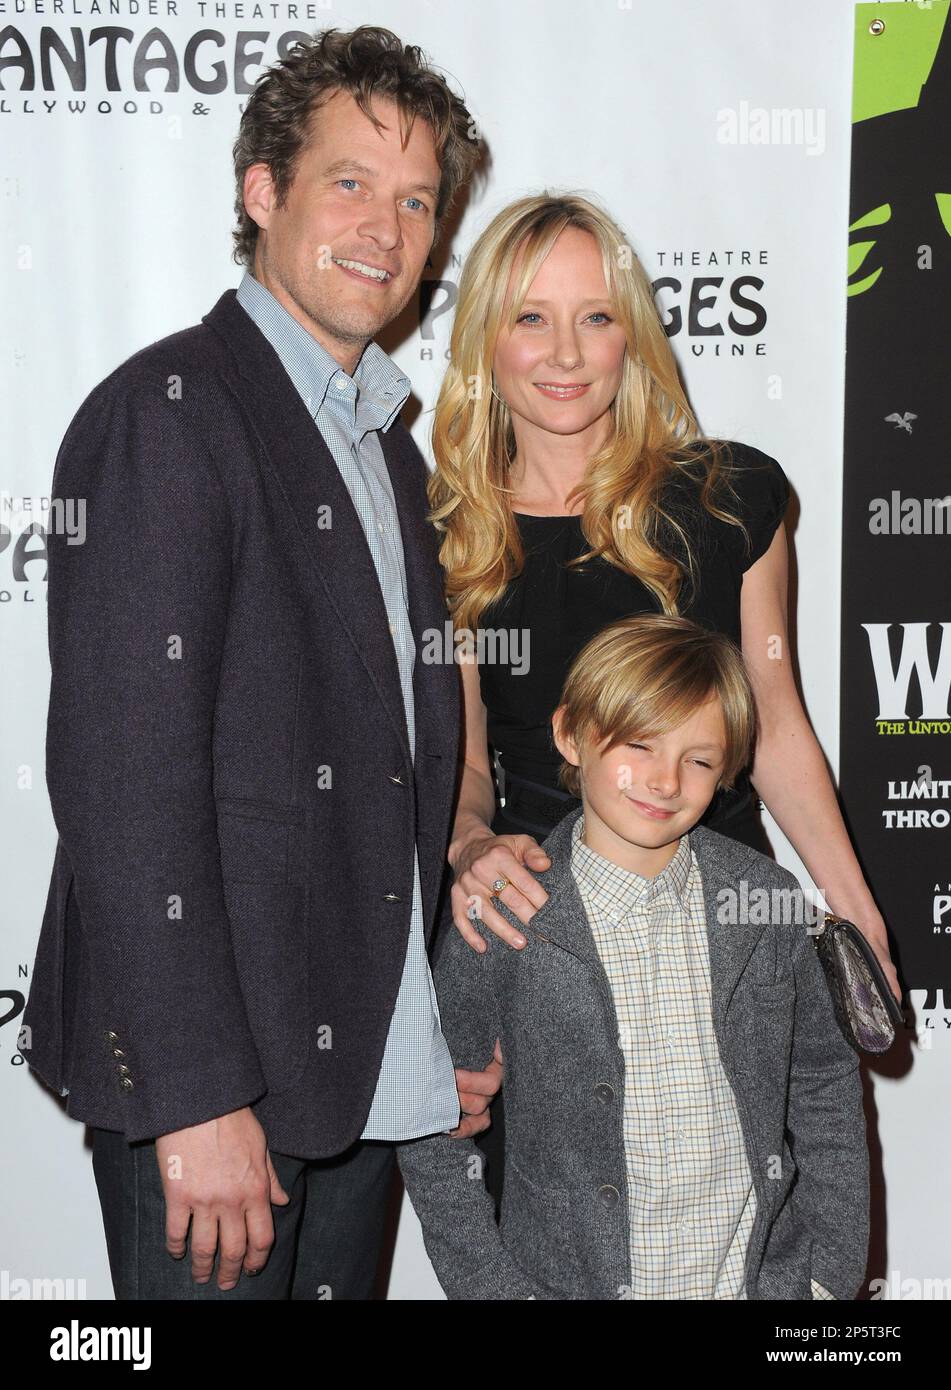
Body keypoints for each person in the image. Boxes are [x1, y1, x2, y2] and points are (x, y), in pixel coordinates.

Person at [18, 25, 499, 1300]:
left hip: (353, 1068)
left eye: (414, 200)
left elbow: (395, 761)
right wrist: (197, 1097)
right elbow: (125, 786)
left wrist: (428, 1022)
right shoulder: (167, 415)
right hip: (221, 1087)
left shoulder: (391, 450)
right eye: (348, 182)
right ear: (261, 193)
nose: (387, 232)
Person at [425, 192, 900, 1209]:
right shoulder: (450, 535)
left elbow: (771, 722)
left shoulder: (729, 501)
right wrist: (471, 846)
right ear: (485, 339)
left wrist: (853, 907)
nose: (566, 351)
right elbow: (466, 765)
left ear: (632, 335)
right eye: (530, 317)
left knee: (744, 1228)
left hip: (720, 935)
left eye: (596, 316)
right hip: (549, 952)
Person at [398, 614, 870, 1300]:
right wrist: (494, 1289)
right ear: (569, 734)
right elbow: (433, 1120)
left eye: (699, 759)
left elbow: (824, 1083)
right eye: (638, 745)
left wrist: (827, 1274)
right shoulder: (502, 909)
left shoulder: (766, 900)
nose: (665, 780)